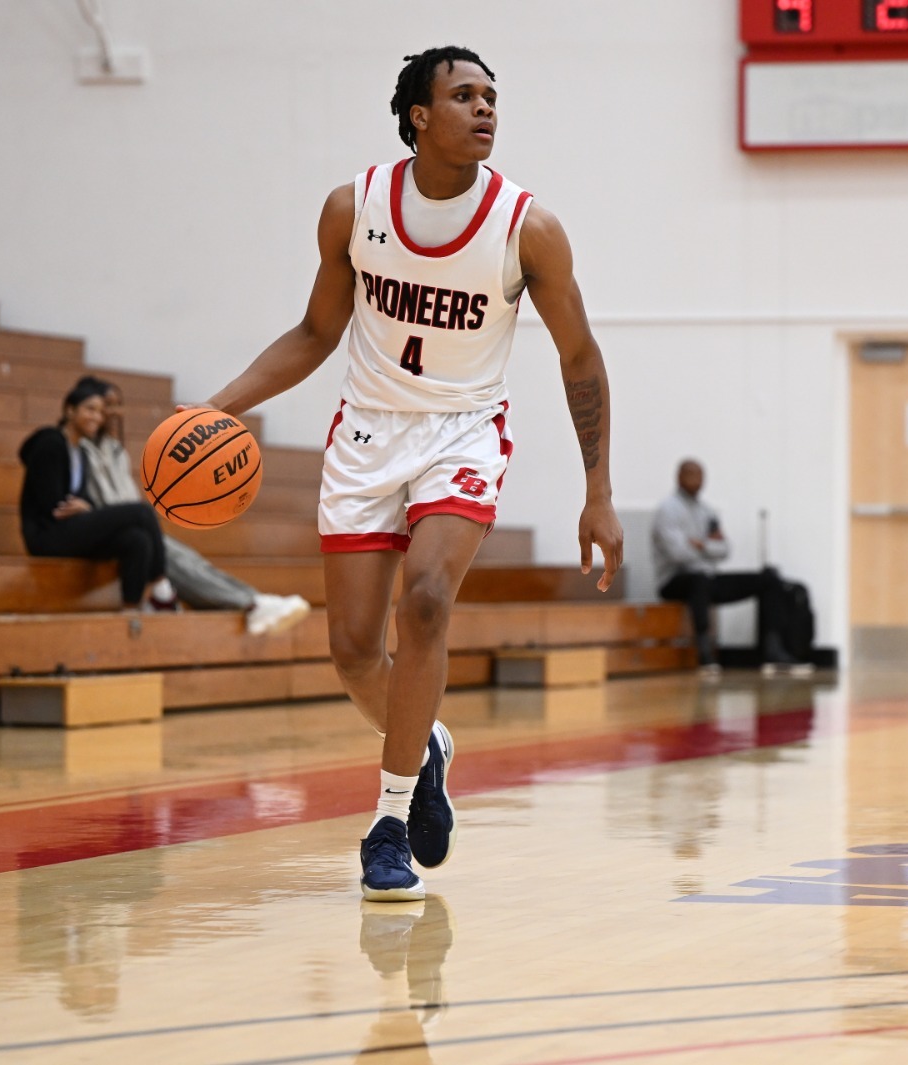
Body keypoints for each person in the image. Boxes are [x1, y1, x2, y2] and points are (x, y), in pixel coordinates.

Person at [197, 46, 622, 902]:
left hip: (464, 430)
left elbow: (580, 355)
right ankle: (422, 745)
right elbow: (316, 333)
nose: (485, 109)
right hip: (366, 433)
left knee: (426, 597)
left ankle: (388, 821)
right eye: (464, 95)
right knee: (354, 650)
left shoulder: (526, 226)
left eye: (492, 97)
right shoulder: (353, 209)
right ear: (419, 115)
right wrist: (221, 406)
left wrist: (598, 491)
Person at [71, 376, 312, 636]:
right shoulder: (77, 448)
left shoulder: (114, 449)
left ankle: (251, 601)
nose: (109, 411)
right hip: (110, 532)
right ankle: (250, 603)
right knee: (165, 549)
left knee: (185, 556)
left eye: (115, 405)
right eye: (103, 405)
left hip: (128, 524)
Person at [18, 380, 175, 610]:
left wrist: (86, 507)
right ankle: (162, 588)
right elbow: (53, 504)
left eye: (100, 412)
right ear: (70, 411)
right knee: (141, 512)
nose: (97, 417)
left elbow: (82, 499)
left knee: (137, 539)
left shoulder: (80, 451)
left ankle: (131, 610)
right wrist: (82, 507)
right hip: (46, 535)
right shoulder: (50, 443)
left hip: (69, 529)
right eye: (90, 409)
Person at [653, 459, 806, 676]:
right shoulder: (667, 510)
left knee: (769, 578)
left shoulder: (707, 511)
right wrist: (707, 546)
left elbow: (724, 549)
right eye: (690, 474)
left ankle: (773, 649)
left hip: (707, 576)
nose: (695, 480)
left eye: (699, 475)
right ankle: (705, 654)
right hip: (674, 580)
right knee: (699, 580)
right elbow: (677, 553)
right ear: (678, 477)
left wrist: (700, 544)